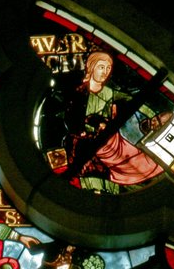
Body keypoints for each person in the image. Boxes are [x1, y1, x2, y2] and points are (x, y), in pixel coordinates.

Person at [65, 51, 164, 192]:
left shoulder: (109, 92)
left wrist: (153, 116)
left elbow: (132, 102)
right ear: (91, 67)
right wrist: (91, 127)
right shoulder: (79, 92)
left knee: (139, 160)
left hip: (113, 139)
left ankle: (146, 182)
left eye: (108, 68)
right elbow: (72, 121)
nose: (105, 72)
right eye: (101, 67)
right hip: (87, 142)